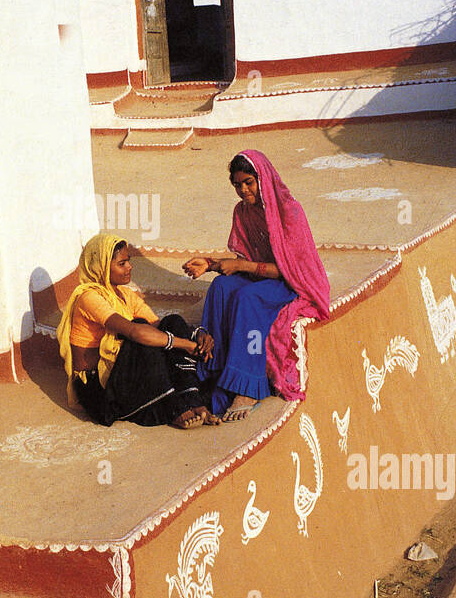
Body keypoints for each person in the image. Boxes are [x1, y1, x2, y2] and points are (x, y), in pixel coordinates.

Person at [182, 150, 330, 419]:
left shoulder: (289, 212)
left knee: (247, 298)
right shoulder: (243, 212)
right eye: (237, 185)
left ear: (263, 179)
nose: (243, 190)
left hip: (293, 283)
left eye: (249, 182)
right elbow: (245, 259)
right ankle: (215, 370)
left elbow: (291, 270)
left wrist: (239, 266)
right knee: (220, 288)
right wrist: (211, 264)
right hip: (262, 277)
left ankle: (249, 385)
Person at [56, 233, 218, 429]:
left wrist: (196, 334)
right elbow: (135, 332)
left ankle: (192, 399)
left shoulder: (124, 294)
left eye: (128, 261)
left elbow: (159, 325)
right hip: (98, 391)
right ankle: (174, 408)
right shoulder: (89, 297)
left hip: (118, 371)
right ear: (101, 267)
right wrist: (185, 344)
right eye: (121, 264)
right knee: (141, 335)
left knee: (171, 322)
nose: (130, 267)